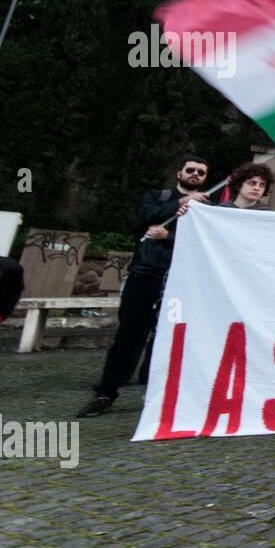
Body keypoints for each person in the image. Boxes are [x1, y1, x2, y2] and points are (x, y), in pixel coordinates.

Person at [78, 154, 210, 417]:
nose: (196, 175)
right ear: (179, 173)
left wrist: (168, 235)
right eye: (191, 170)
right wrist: (183, 202)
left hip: (180, 279)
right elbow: (144, 219)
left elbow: (202, 240)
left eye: (202, 172)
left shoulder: (206, 206)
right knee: (129, 336)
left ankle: (162, 394)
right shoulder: (157, 197)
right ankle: (106, 392)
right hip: (145, 274)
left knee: (173, 337)